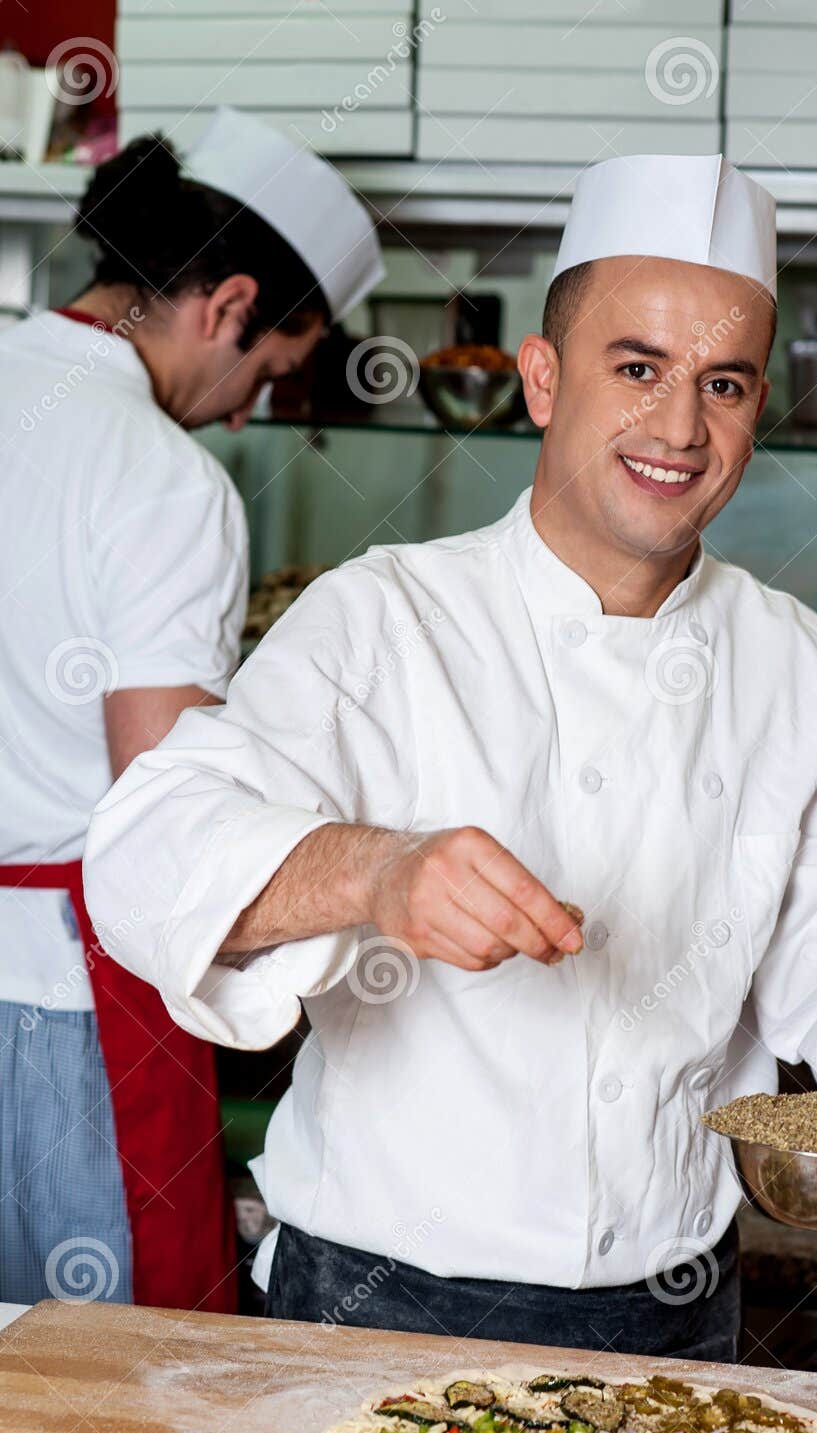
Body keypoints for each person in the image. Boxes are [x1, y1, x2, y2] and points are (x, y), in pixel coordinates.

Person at [84, 154, 817, 1358]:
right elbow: (146, 847)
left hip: (675, 1314)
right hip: (377, 1308)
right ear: (542, 377)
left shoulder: (806, 669)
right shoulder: (387, 617)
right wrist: (375, 873)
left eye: (723, 384)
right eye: (637, 369)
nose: (679, 427)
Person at [0, 108, 383, 1311]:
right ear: (224, 305)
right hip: (74, 1002)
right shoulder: (165, 481)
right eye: (265, 372)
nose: (238, 411)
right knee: (122, 1398)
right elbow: (162, 817)